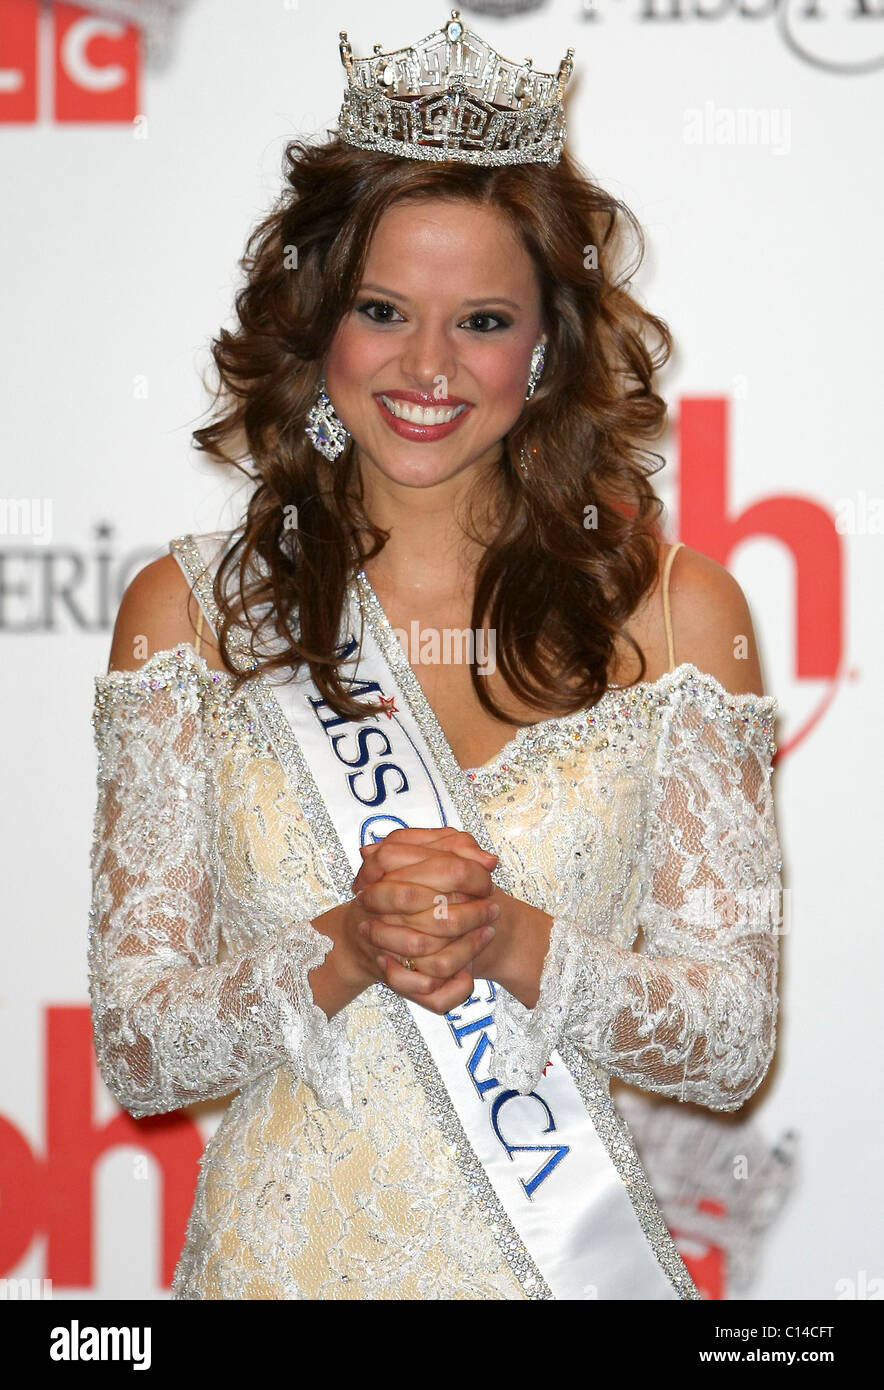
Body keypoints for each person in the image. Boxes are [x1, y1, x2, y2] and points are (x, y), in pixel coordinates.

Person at [88, 11, 782, 1300]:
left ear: (549, 346)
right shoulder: (188, 613)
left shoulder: (684, 615)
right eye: (382, 309)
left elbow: (728, 1043)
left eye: (482, 321)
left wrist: (512, 940)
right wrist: (343, 948)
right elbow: (142, 1050)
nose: (424, 366)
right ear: (318, 326)